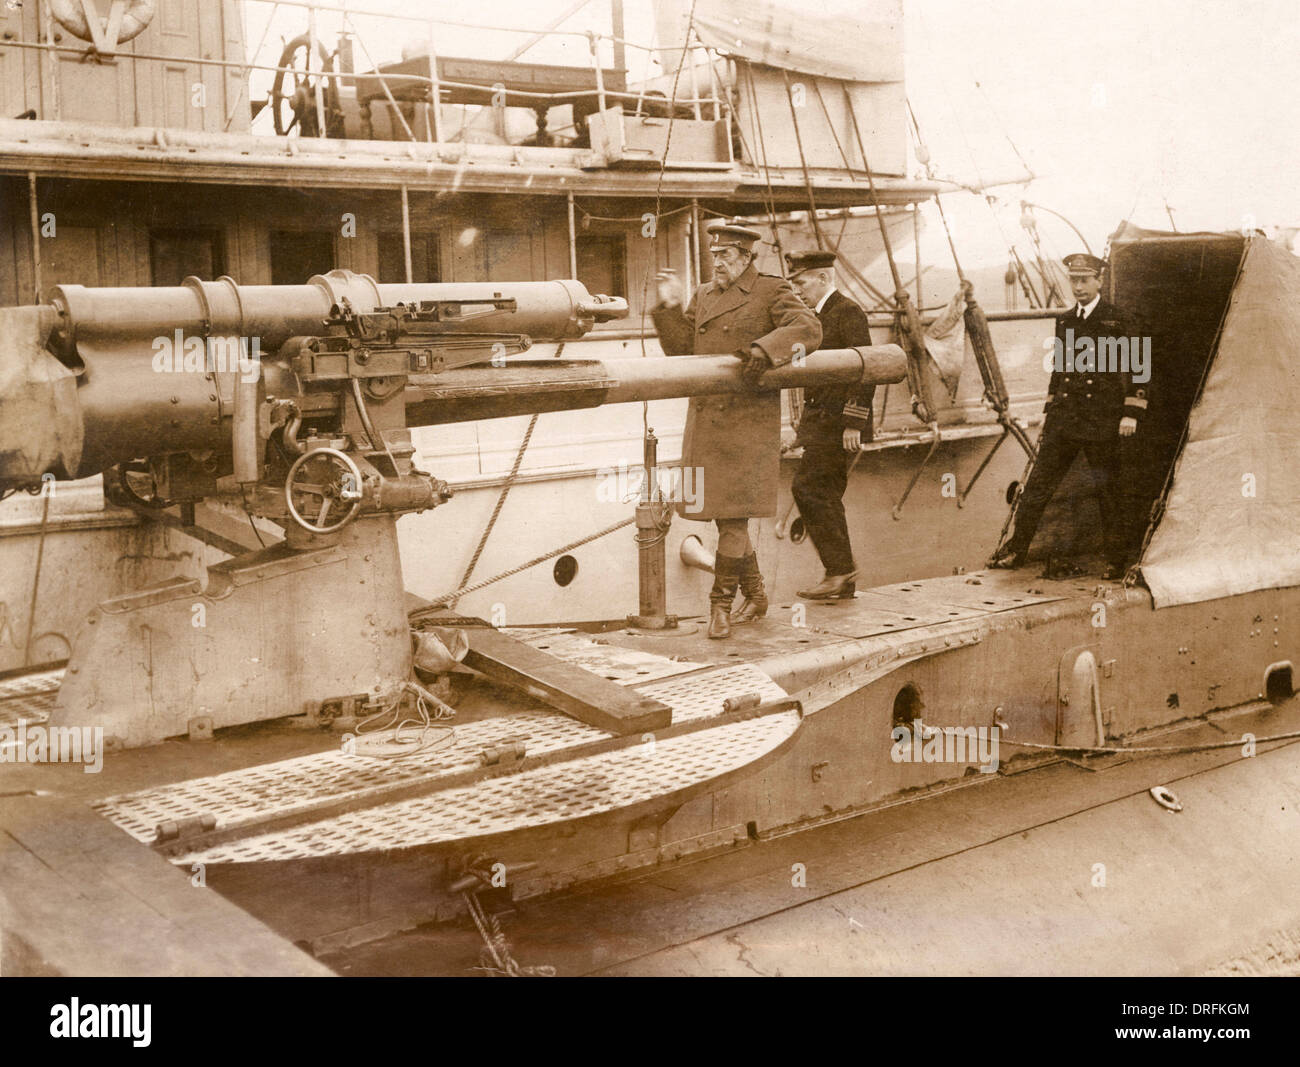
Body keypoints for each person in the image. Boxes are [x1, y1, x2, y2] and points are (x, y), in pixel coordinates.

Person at [652, 221, 822, 639]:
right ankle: (757, 594)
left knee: (733, 521)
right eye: (715, 255)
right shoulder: (704, 295)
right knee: (724, 519)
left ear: (747, 256)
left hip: (747, 424)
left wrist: (764, 350)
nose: (718, 263)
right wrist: (670, 307)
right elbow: (682, 352)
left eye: (725, 255)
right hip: (707, 422)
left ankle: (720, 606)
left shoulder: (770, 290)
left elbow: (809, 330)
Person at [989, 252, 1147, 579]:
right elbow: (1059, 370)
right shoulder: (1065, 321)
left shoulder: (1119, 319)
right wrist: (1049, 412)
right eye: (1074, 280)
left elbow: (1139, 367)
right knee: (1036, 487)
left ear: (1099, 281)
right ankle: (1017, 550)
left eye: (1084, 280)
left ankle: (1117, 560)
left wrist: (1131, 412)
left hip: (1102, 420)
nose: (1078, 287)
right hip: (1065, 419)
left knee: (1109, 492)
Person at [785, 249, 875, 600]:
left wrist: (854, 423)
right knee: (825, 494)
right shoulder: (817, 317)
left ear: (823, 278)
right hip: (822, 426)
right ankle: (842, 577)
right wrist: (800, 434)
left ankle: (839, 571)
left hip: (838, 425)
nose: (798, 291)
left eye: (802, 283)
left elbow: (866, 368)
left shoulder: (848, 312)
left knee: (808, 489)